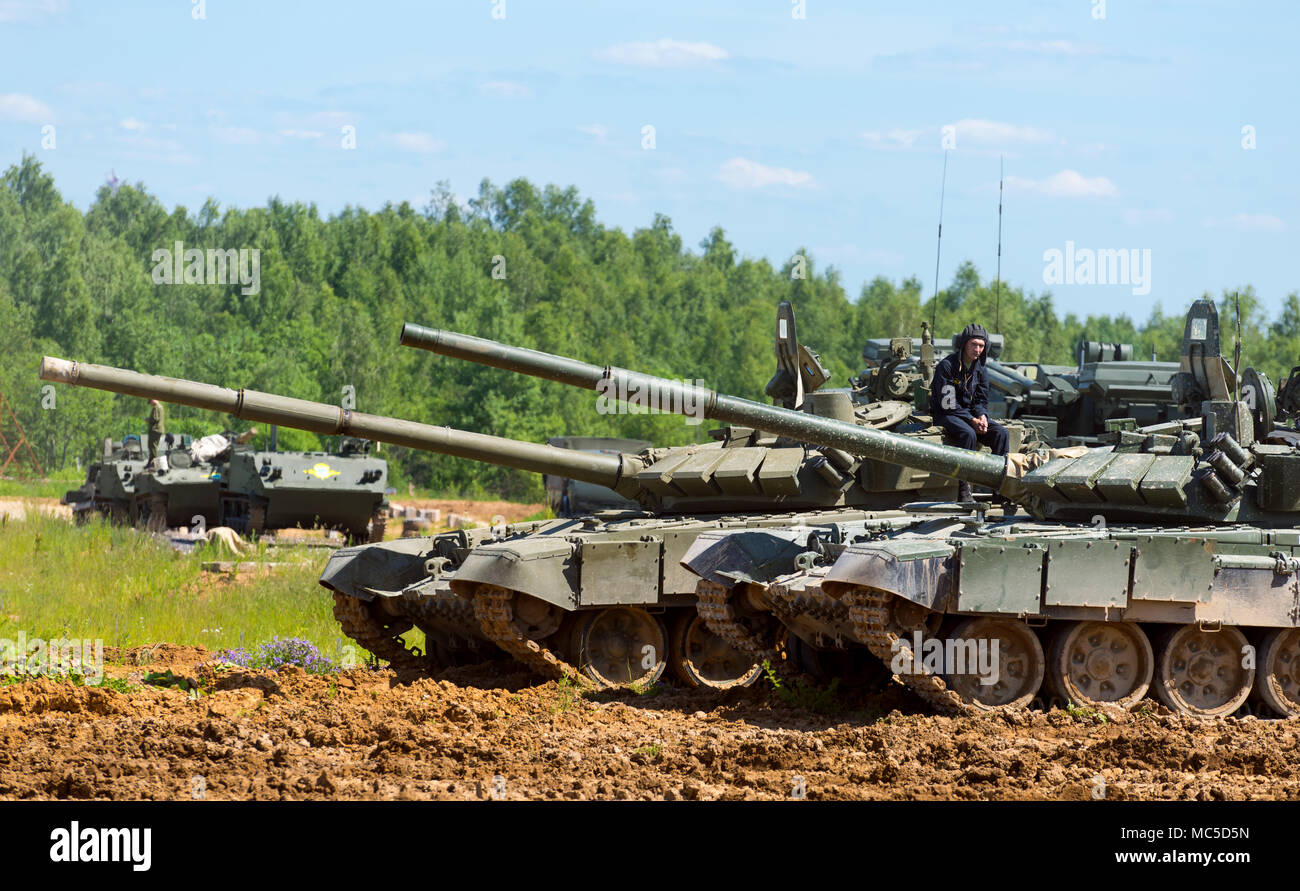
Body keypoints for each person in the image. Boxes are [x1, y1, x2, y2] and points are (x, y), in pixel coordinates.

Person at [929, 323, 1009, 502]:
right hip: (947, 414)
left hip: (970, 416)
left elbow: (981, 400)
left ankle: (1000, 488)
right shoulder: (947, 366)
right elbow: (947, 404)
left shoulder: (981, 370)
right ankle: (964, 490)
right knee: (968, 434)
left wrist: (982, 417)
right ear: (964, 344)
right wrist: (972, 420)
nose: (978, 349)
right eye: (974, 344)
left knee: (1001, 434)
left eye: (981, 346)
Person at [146, 398, 166, 462]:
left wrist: (147, 419)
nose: (150, 405)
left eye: (150, 403)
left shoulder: (156, 407)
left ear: (152, 400)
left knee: (152, 447)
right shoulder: (160, 407)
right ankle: (152, 462)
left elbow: (155, 419)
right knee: (153, 447)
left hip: (155, 430)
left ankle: (153, 463)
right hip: (158, 429)